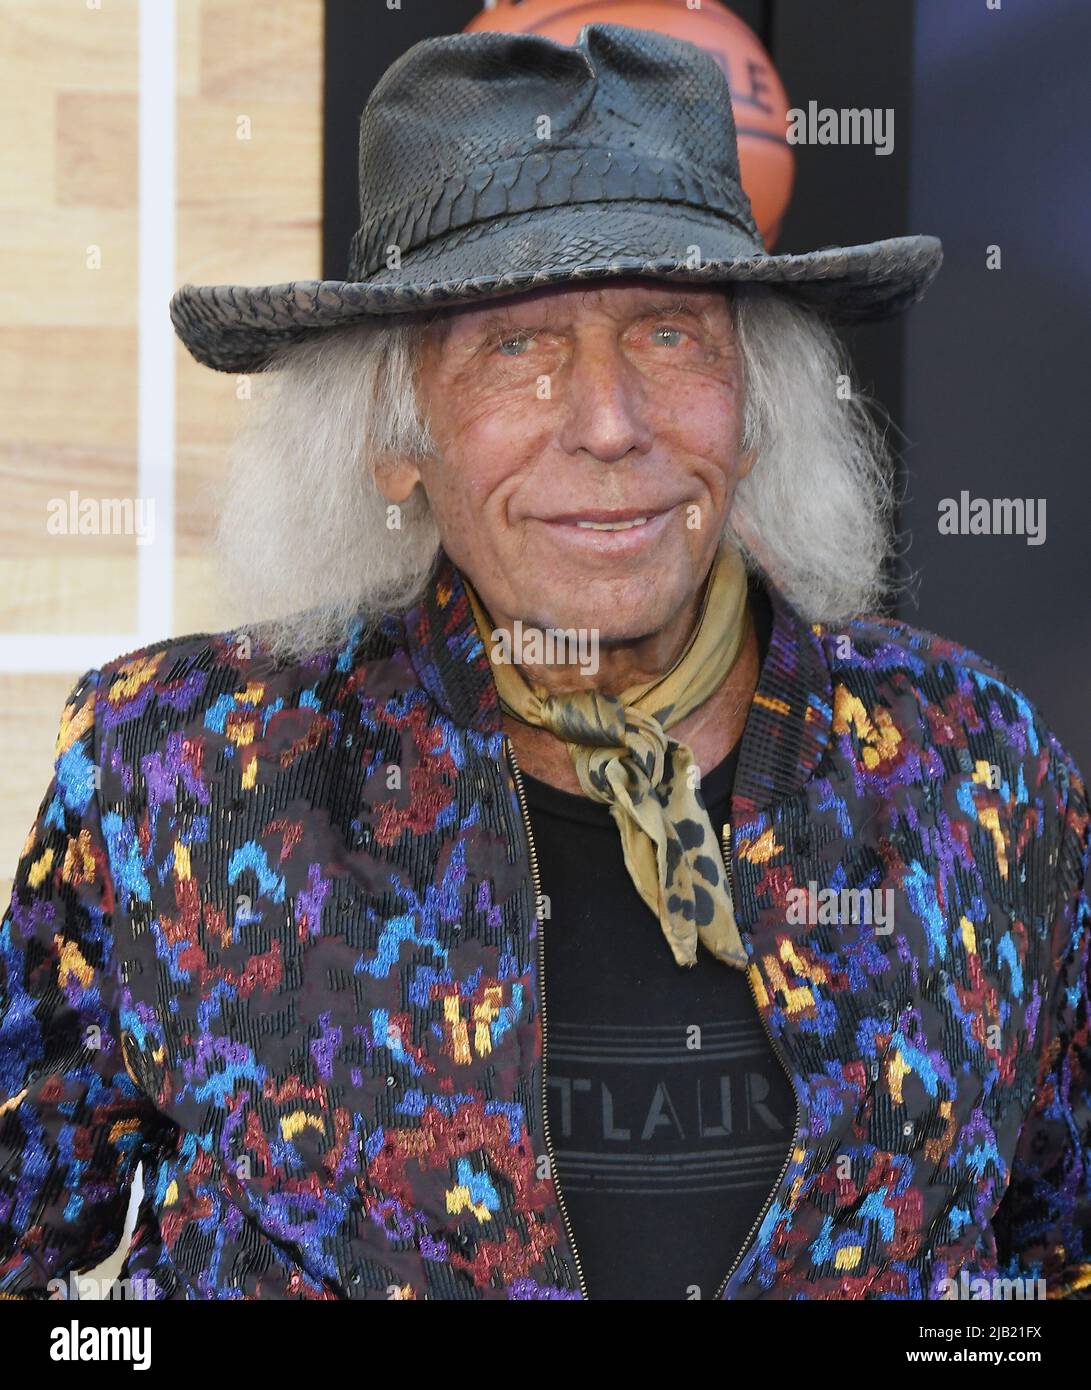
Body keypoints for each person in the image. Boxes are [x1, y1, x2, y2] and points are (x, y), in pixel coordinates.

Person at [1, 24, 1087, 1302]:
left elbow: (1052, 1261)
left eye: (669, 333)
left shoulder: (981, 773)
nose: (612, 422)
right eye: (515, 346)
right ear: (396, 434)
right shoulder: (174, 769)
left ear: (750, 407)